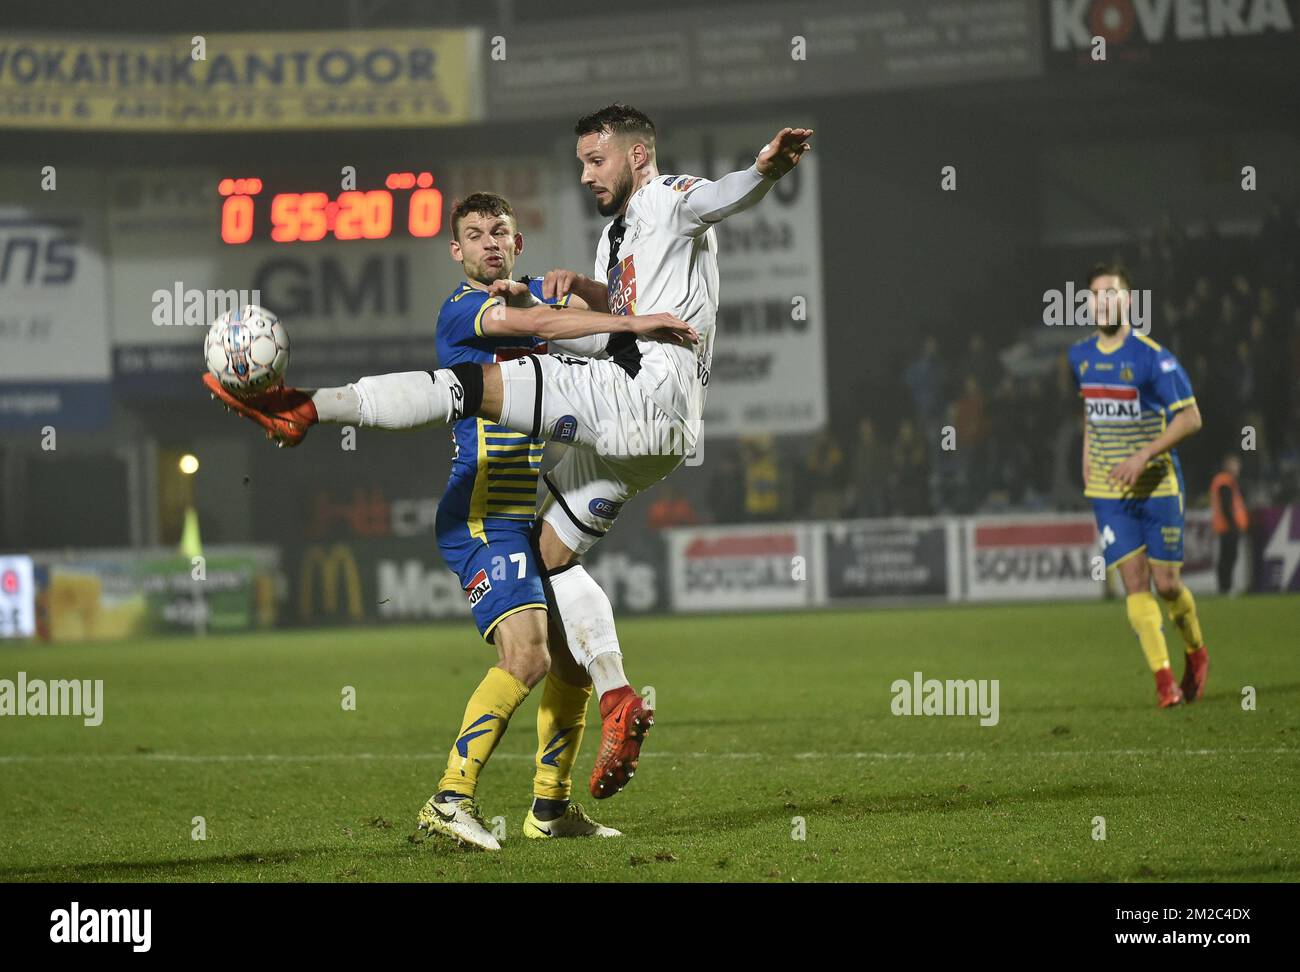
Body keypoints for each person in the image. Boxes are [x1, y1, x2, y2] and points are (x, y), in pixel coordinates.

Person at [205, 105, 812, 804]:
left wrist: (764, 171)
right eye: (581, 161)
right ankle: (614, 698)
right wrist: (597, 297)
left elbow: (715, 201)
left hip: (636, 400)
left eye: (596, 160)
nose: (585, 174)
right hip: (663, 437)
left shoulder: (668, 200)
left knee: (466, 387)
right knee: (552, 557)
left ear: (638, 156)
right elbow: (612, 324)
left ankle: (309, 407)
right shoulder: (616, 241)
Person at [1067, 262, 1209, 708]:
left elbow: (1191, 417)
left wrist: (1145, 453)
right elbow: (1092, 410)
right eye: (1094, 295)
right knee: (1134, 584)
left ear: (1127, 300)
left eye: (1110, 293)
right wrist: (1088, 457)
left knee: (1167, 585)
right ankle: (1164, 682)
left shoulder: (1153, 357)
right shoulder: (1079, 356)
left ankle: (1196, 651)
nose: (1102, 301)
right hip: (1110, 493)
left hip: (1156, 484)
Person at [1209, 454, 1249, 595]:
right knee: (1228, 557)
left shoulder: (1228, 481)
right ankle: (1225, 587)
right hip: (1227, 526)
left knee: (1228, 557)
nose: (1238, 468)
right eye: (1235, 465)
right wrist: (1234, 524)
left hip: (1227, 526)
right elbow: (1226, 505)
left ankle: (1225, 587)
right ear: (1228, 466)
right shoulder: (1224, 481)